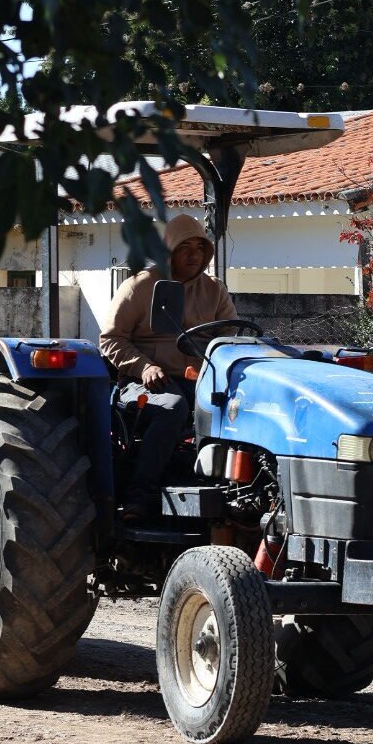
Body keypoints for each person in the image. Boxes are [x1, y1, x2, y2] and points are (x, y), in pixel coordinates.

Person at [100, 214, 237, 522]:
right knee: (174, 407)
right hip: (144, 383)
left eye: (199, 248)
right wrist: (143, 367)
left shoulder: (215, 290)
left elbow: (229, 338)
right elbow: (110, 340)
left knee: (240, 407)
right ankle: (139, 494)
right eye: (184, 247)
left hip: (198, 381)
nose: (194, 254)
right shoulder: (140, 286)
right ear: (168, 251)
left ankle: (231, 493)